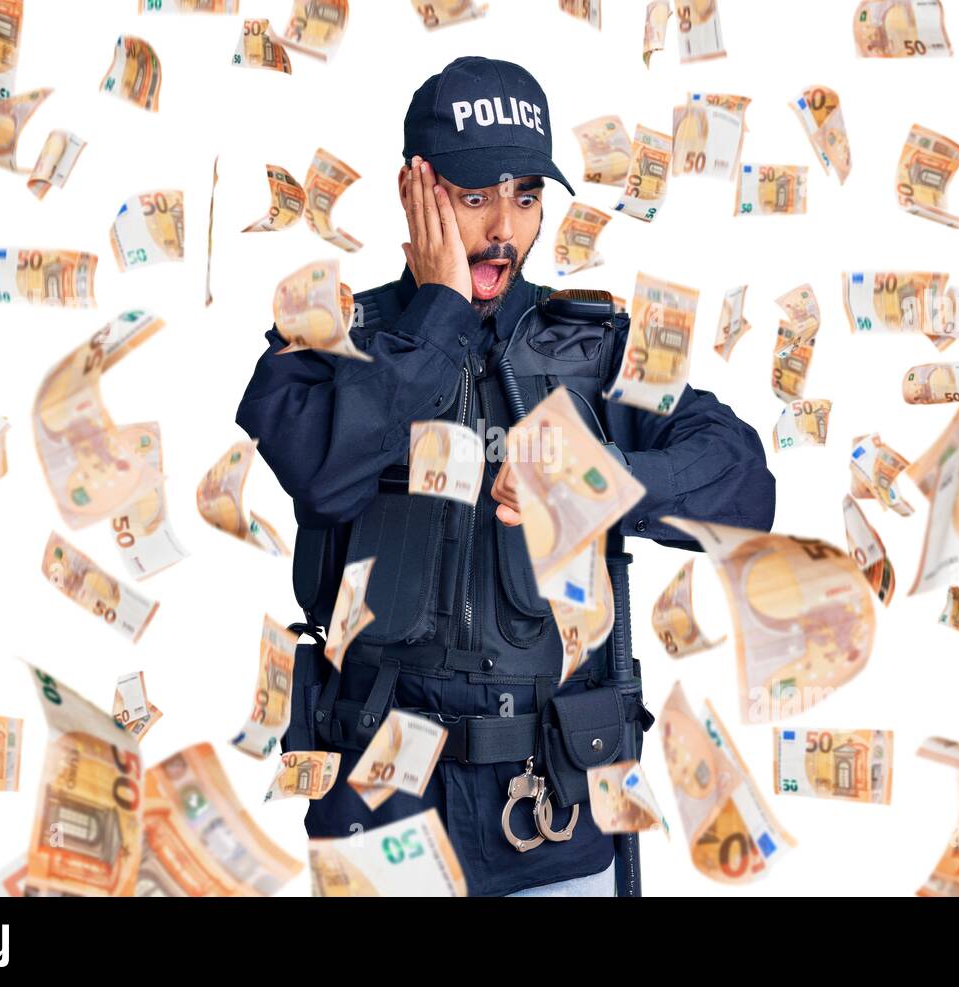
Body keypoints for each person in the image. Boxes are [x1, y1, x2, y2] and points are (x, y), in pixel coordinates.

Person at [236, 55, 775, 896]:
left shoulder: (593, 348)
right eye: (475, 193)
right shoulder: (330, 337)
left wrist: (600, 480)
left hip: (553, 815)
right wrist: (440, 313)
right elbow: (321, 472)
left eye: (526, 197)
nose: (502, 229)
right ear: (417, 190)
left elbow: (744, 484)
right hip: (382, 814)